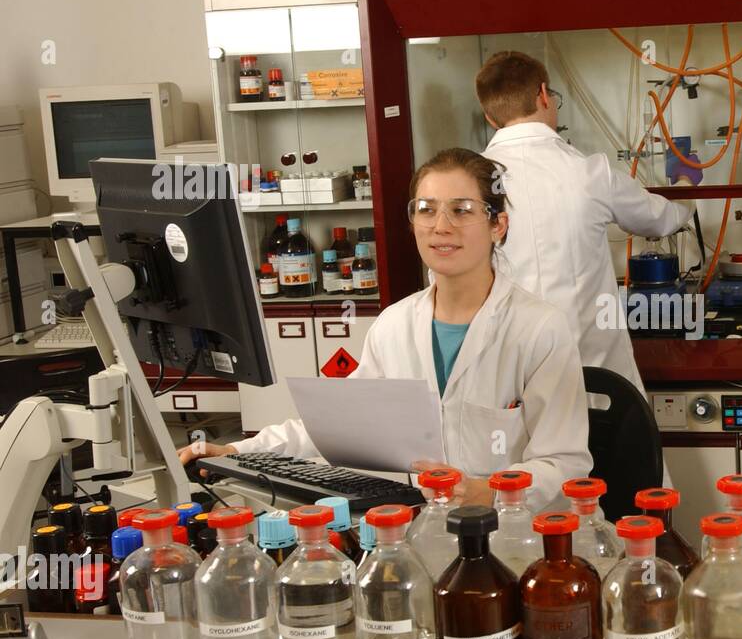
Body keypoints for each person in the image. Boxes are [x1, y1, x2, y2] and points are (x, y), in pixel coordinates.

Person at [180, 148, 593, 511]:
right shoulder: (394, 325)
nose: (440, 226)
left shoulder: (539, 329)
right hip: (420, 528)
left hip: (518, 539)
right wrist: (236, 450)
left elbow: (564, 463)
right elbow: (340, 427)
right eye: (426, 209)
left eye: (462, 209)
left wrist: (488, 491)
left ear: (497, 225)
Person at [475, 50, 699, 401]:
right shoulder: (590, 173)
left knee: (519, 455)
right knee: (609, 454)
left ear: (490, 117)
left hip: (508, 383)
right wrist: (687, 183)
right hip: (593, 380)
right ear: (545, 95)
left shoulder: (470, 183)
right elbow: (662, 219)